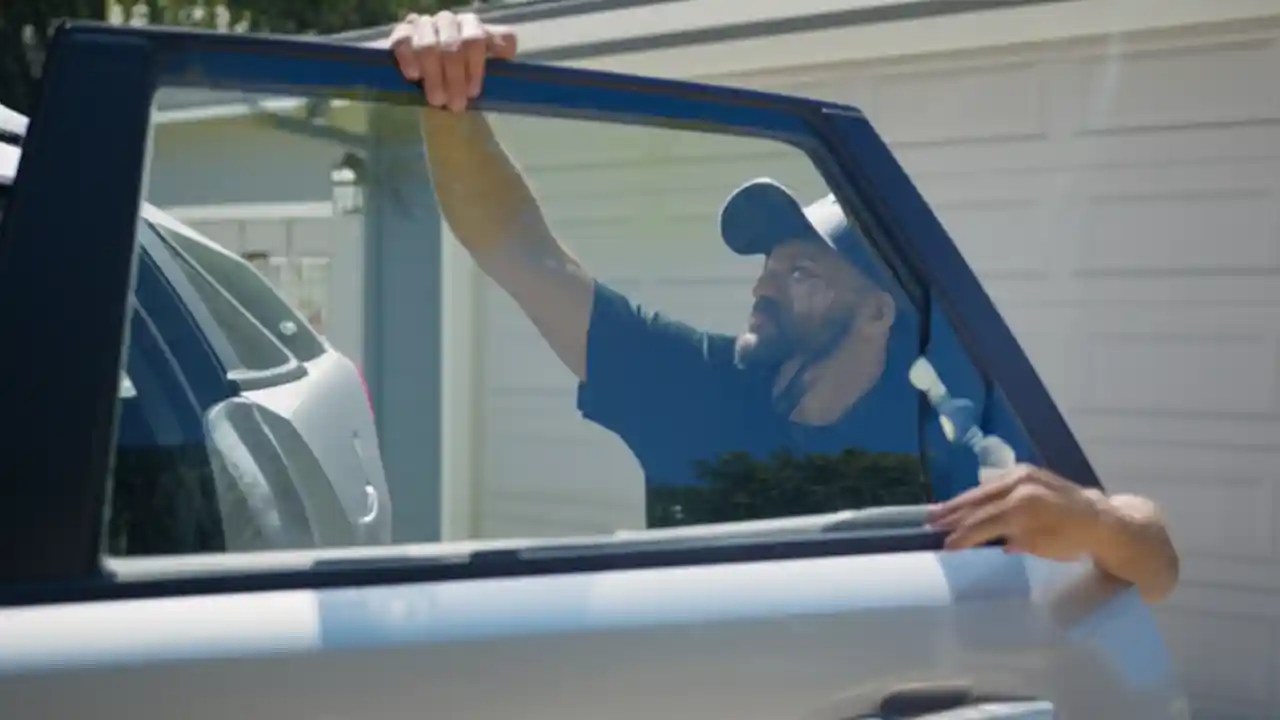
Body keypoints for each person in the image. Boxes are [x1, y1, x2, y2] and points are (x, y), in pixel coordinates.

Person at [383, 11, 1180, 604]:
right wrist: (451, 97)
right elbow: (523, 255)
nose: (763, 285)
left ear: (878, 314)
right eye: (767, 266)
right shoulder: (694, 386)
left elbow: (1154, 560)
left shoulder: (942, 435)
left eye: (801, 270)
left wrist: (1102, 524)